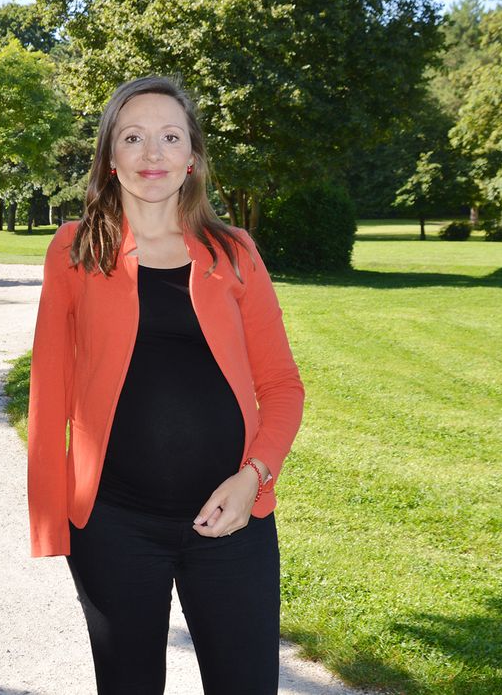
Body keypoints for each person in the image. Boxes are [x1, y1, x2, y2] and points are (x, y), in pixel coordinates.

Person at [27, 76, 304, 694]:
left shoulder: (235, 252)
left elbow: (283, 386)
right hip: (113, 527)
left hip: (232, 520)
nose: (152, 154)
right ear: (110, 156)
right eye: (133, 138)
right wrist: (50, 519)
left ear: (192, 156)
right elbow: (49, 389)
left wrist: (254, 479)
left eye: (170, 137)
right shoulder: (76, 249)